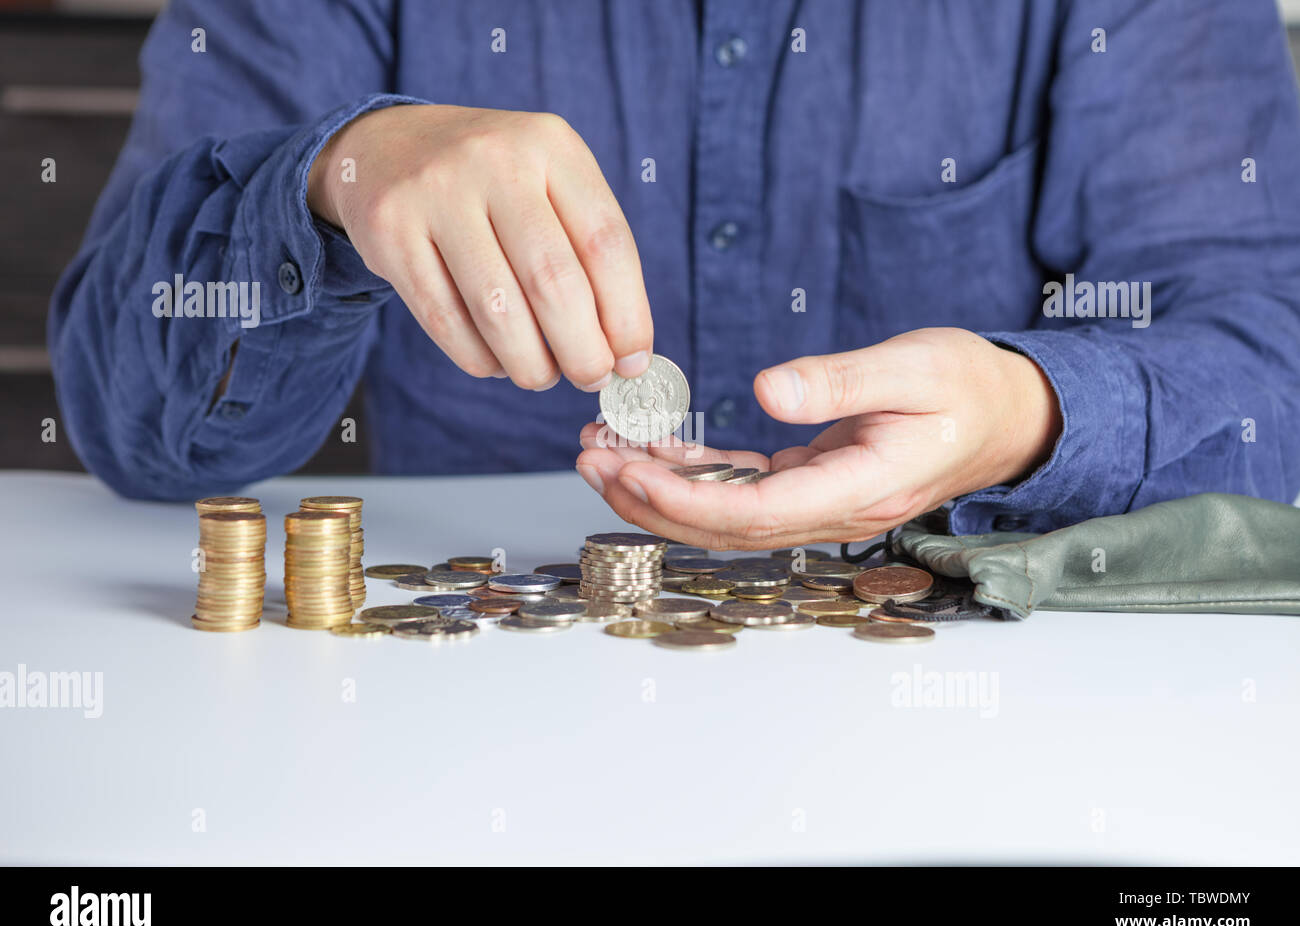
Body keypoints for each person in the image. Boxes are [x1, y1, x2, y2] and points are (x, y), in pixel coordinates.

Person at [49, 0, 1300, 550]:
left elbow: (1272, 371)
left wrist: (1026, 418)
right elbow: (130, 425)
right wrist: (333, 182)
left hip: (962, 737)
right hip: (452, 739)